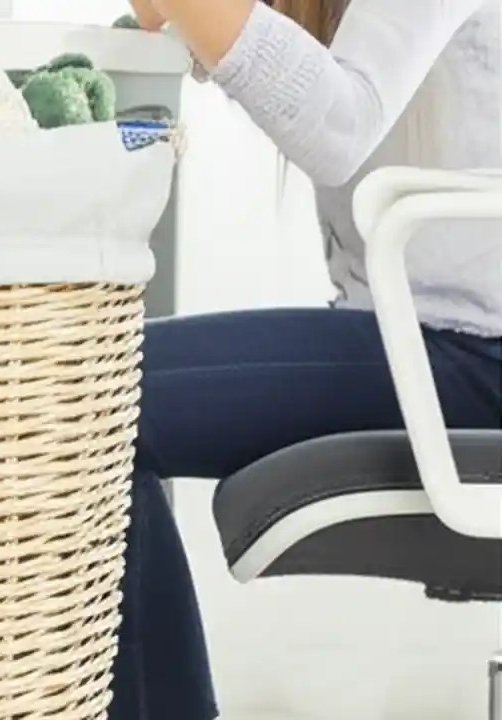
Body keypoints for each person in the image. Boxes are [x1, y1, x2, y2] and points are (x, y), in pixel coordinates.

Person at [109, 1, 502, 718]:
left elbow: (340, 124)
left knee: (95, 401)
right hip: (425, 342)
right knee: (88, 397)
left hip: (470, 353)